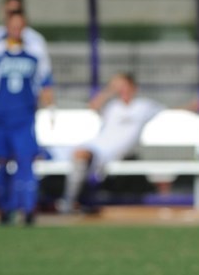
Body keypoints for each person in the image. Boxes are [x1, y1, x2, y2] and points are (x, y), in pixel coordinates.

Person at [0, 0, 51, 222]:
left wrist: (48, 106)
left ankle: (27, 209)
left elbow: (44, 81)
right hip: (0, 115)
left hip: (24, 115)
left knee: (25, 160)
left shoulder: (35, 47)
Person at [59, 73, 164, 214]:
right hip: (97, 145)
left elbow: (172, 112)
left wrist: (196, 105)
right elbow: (94, 106)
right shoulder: (113, 106)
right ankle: (75, 201)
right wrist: (110, 90)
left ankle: (69, 202)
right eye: (120, 87)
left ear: (134, 88)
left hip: (113, 151)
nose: (122, 90)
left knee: (80, 154)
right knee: (73, 153)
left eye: (125, 86)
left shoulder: (144, 106)